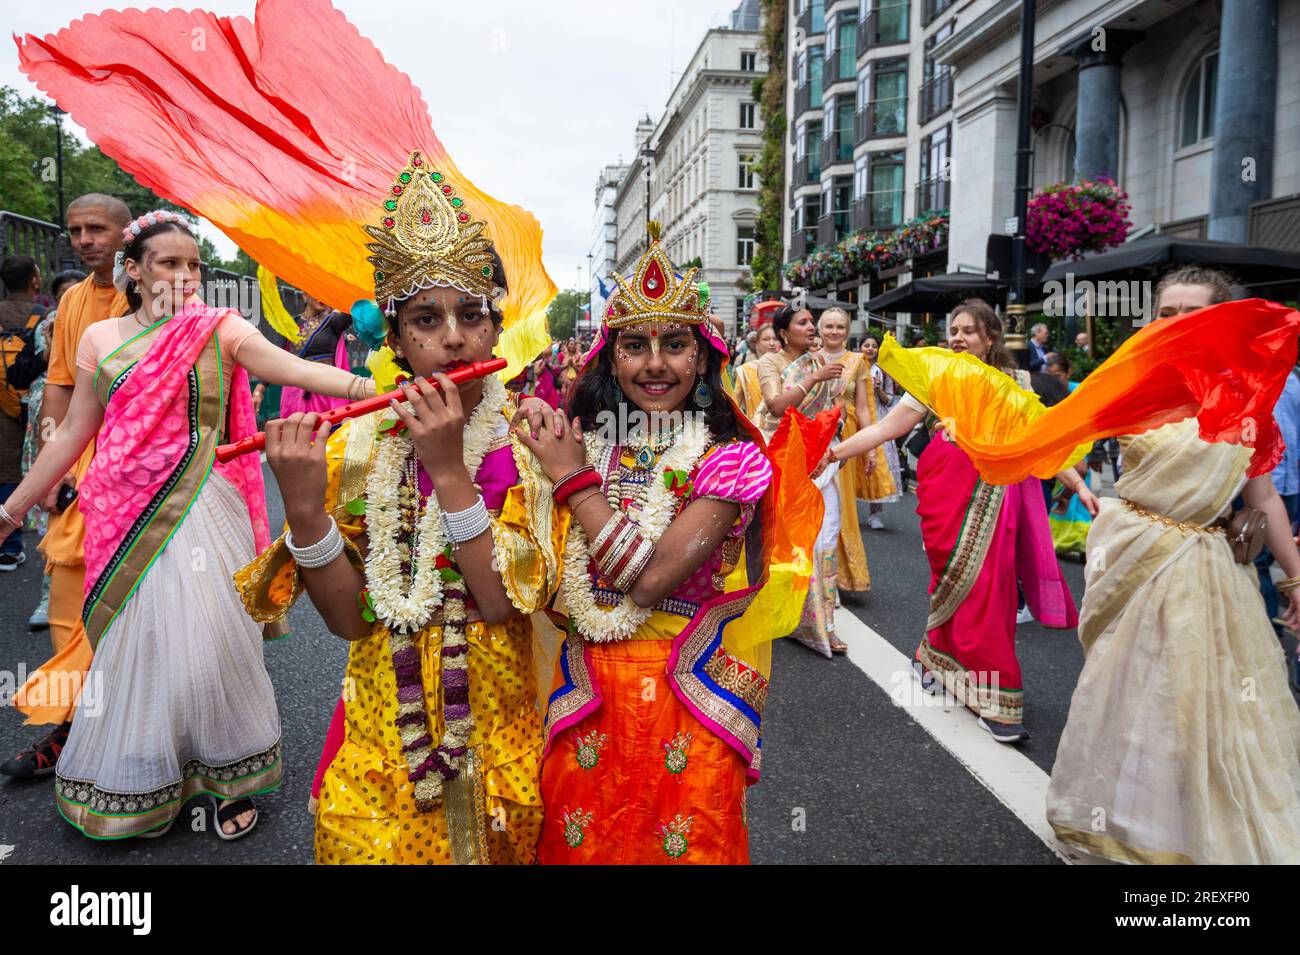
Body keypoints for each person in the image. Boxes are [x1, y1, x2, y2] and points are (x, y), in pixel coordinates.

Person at [0, 210, 376, 838]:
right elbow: (74, 432)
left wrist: (373, 382)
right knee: (136, 647)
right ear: (135, 270)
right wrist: (11, 511)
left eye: (193, 264)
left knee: (214, 643)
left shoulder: (216, 328)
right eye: (169, 263)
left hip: (202, 502)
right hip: (120, 509)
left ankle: (230, 778)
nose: (185, 275)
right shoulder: (100, 341)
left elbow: (295, 370)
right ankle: (142, 774)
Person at [238, 154, 565, 863]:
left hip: (496, 732)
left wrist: (448, 469)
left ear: (494, 328)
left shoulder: (529, 440)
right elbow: (351, 618)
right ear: (395, 341)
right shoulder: (361, 445)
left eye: (471, 315)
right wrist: (303, 513)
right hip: (383, 733)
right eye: (425, 319)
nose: (451, 337)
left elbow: (502, 601)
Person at [522, 223, 776, 864]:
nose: (655, 364)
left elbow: (651, 580)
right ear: (610, 359)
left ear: (703, 357)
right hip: (586, 694)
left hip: (689, 693)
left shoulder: (731, 459)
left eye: (675, 344)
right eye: (634, 345)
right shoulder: (583, 445)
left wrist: (571, 481)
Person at [1047, 265, 1300, 863]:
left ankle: (1186, 833)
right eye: (1166, 314)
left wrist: (1294, 577)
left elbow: (1263, 500)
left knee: (1195, 699)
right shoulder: (1132, 382)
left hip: (1206, 567)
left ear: (1223, 323)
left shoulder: (1249, 400)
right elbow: (1056, 440)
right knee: (1126, 690)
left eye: (1194, 314)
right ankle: (1127, 821)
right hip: (1129, 552)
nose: (1178, 324)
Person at [828, 300, 1091, 741]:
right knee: (951, 584)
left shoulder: (1015, 384)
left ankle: (997, 697)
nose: (957, 337)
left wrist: (1080, 485)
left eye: (969, 331)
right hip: (943, 499)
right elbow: (887, 428)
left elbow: (1037, 443)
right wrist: (832, 454)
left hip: (994, 501)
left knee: (992, 590)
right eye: (953, 329)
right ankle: (937, 659)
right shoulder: (936, 376)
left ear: (990, 338)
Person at [2, 194, 132, 782]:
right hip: (77, 472)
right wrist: (55, 469)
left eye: (96, 229)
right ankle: (69, 730)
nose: (83, 240)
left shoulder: (156, 295)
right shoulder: (74, 299)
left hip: (139, 474)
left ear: (127, 234)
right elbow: (58, 388)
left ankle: (137, 734)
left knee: (132, 613)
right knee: (65, 598)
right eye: (75, 230)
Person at [757, 305, 849, 655]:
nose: (812, 327)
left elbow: (834, 407)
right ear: (784, 332)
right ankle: (780, 612)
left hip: (821, 459)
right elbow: (777, 406)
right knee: (784, 540)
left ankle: (821, 624)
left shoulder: (818, 361)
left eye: (813, 321)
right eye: (804, 322)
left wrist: (831, 435)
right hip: (782, 459)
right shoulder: (772, 363)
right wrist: (814, 378)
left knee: (824, 538)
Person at [19, 269, 86, 630]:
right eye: (65, 296)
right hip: (54, 417)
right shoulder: (52, 323)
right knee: (58, 508)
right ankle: (52, 596)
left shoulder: (124, 310)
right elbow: (38, 372)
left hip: (97, 420)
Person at [816, 307, 871, 595]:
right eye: (829, 326)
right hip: (814, 437)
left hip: (845, 440)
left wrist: (870, 449)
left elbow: (862, 407)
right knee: (817, 505)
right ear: (820, 328)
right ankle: (817, 580)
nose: (834, 332)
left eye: (839, 327)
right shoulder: (811, 360)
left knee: (841, 506)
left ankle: (837, 579)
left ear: (847, 331)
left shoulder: (857, 361)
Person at [0, 255, 47, 572]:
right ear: (35, 281)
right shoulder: (44, 316)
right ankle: (18, 542)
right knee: (21, 470)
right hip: (33, 404)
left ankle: (8, 544)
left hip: (0, 406)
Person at [277, 293, 355, 418]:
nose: (320, 297)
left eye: (323, 292)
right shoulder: (290, 324)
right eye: (315, 292)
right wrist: (261, 388)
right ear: (304, 296)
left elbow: (353, 306)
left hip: (325, 391)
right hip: (295, 392)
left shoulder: (333, 322)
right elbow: (277, 355)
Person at [858, 331, 902, 526]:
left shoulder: (883, 371)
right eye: (866, 345)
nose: (870, 349)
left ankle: (875, 512)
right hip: (855, 418)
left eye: (873, 346)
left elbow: (889, 400)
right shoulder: (852, 366)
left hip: (878, 418)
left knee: (877, 464)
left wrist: (878, 389)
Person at [735, 323, 779, 422]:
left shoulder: (789, 368)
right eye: (766, 339)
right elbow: (735, 405)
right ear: (757, 343)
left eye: (775, 339)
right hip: (755, 432)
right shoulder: (745, 370)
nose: (771, 343)